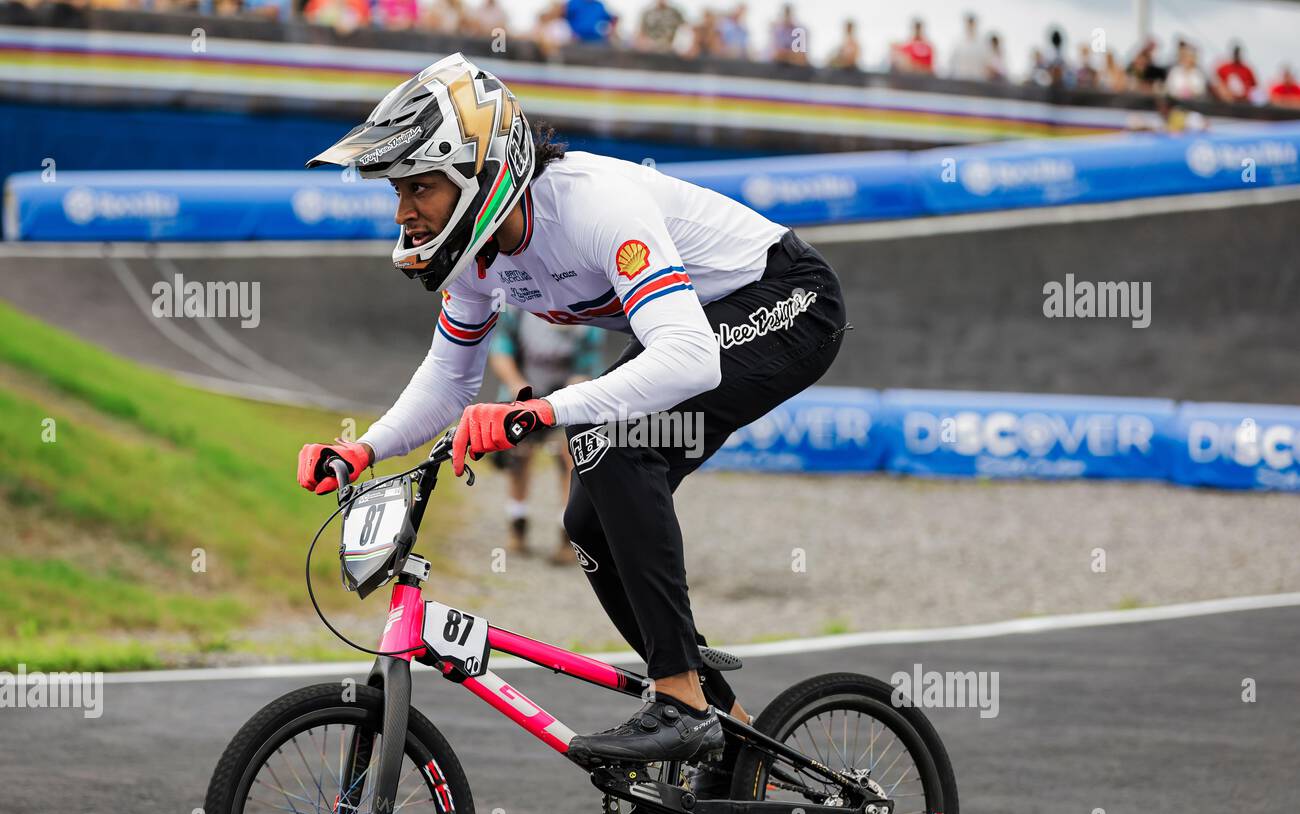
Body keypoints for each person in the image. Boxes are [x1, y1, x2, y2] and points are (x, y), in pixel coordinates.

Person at [298, 54, 849, 773]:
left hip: (789, 302)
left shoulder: (592, 207)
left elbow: (689, 359)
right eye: (400, 190)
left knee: (610, 444)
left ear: (481, 176)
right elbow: (449, 379)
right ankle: (724, 729)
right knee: (586, 520)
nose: (405, 211)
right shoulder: (475, 257)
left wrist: (534, 414)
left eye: (420, 186)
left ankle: (680, 702)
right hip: (700, 327)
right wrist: (364, 450)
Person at [488, 307, 603, 562]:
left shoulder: (585, 314)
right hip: (523, 393)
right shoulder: (516, 311)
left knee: (569, 461)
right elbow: (500, 351)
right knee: (517, 459)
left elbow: (586, 364)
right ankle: (517, 526)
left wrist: (564, 398)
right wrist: (518, 386)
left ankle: (567, 536)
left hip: (565, 398)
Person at [948, 13, 986, 82]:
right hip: (960, 79)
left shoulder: (982, 43)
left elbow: (986, 62)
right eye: (969, 23)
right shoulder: (958, 41)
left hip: (977, 80)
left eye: (972, 23)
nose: (970, 26)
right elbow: (952, 60)